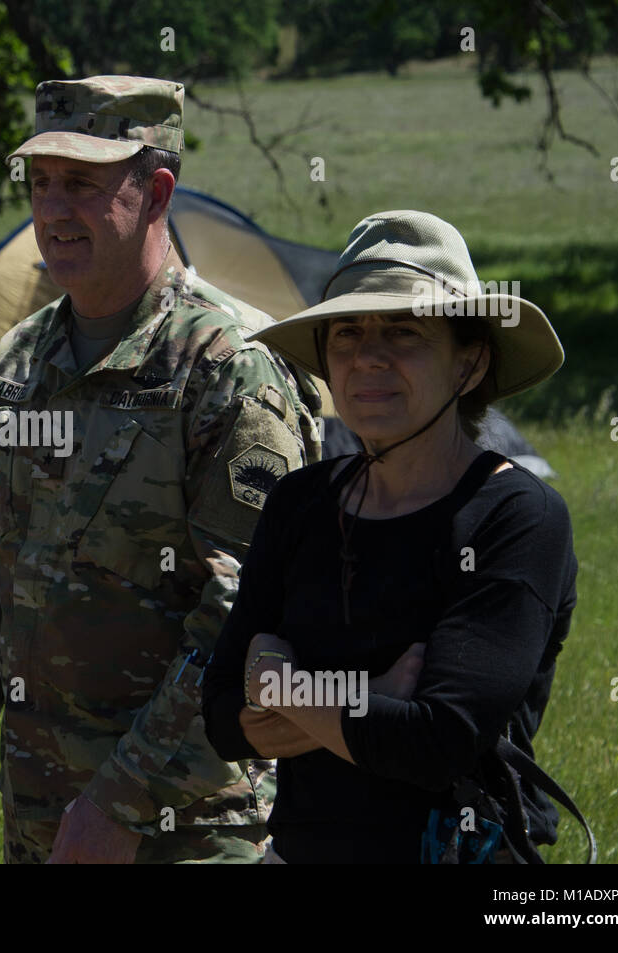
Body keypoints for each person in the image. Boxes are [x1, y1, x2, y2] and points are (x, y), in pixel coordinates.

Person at [0, 76, 321, 864]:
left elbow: (242, 614)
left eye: (83, 184)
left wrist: (121, 800)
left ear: (157, 189)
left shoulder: (230, 369)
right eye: (41, 183)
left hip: (185, 827)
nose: (54, 210)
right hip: (39, 820)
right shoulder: (20, 360)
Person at [201, 210, 577, 863]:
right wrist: (371, 693)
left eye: (402, 332)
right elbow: (222, 712)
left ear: (470, 362)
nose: (368, 355)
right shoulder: (301, 501)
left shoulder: (516, 515)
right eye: (347, 333)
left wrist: (285, 683)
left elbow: (438, 742)